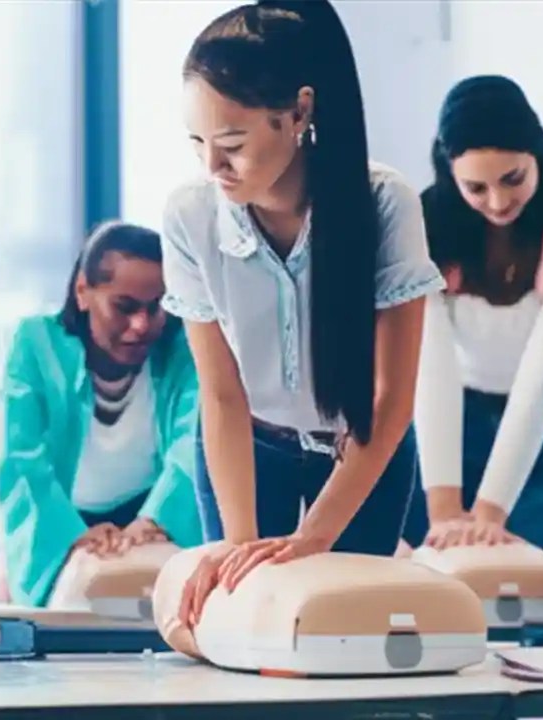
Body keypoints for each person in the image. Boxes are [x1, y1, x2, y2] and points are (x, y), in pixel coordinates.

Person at [161, 0, 444, 627]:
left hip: (361, 450)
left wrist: (314, 537)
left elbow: (391, 399)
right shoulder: (189, 217)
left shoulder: (384, 203)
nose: (213, 166)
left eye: (231, 144)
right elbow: (221, 394)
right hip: (248, 448)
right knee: (241, 621)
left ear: (299, 114)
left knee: (340, 633)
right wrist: (238, 544)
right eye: (198, 143)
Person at [406, 75, 543, 553]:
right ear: (449, 174)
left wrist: (489, 512)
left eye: (512, 179)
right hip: (449, 420)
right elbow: (431, 371)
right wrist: (443, 509)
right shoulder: (429, 226)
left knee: (542, 586)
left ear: (537, 155)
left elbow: (540, 381)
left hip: (537, 430)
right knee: (435, 582)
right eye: (476, 187)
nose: (498, 202)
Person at [0, 220, 203, 608]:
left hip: (155, 513)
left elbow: (192, 446)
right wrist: (71, 534)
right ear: (82, 292)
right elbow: (20, 458)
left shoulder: (185, 349)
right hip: (61, 517)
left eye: (156, 307)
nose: (141, 325)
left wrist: (155, 521)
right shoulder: (34, 343)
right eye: (124, 307)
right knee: (64, 596)